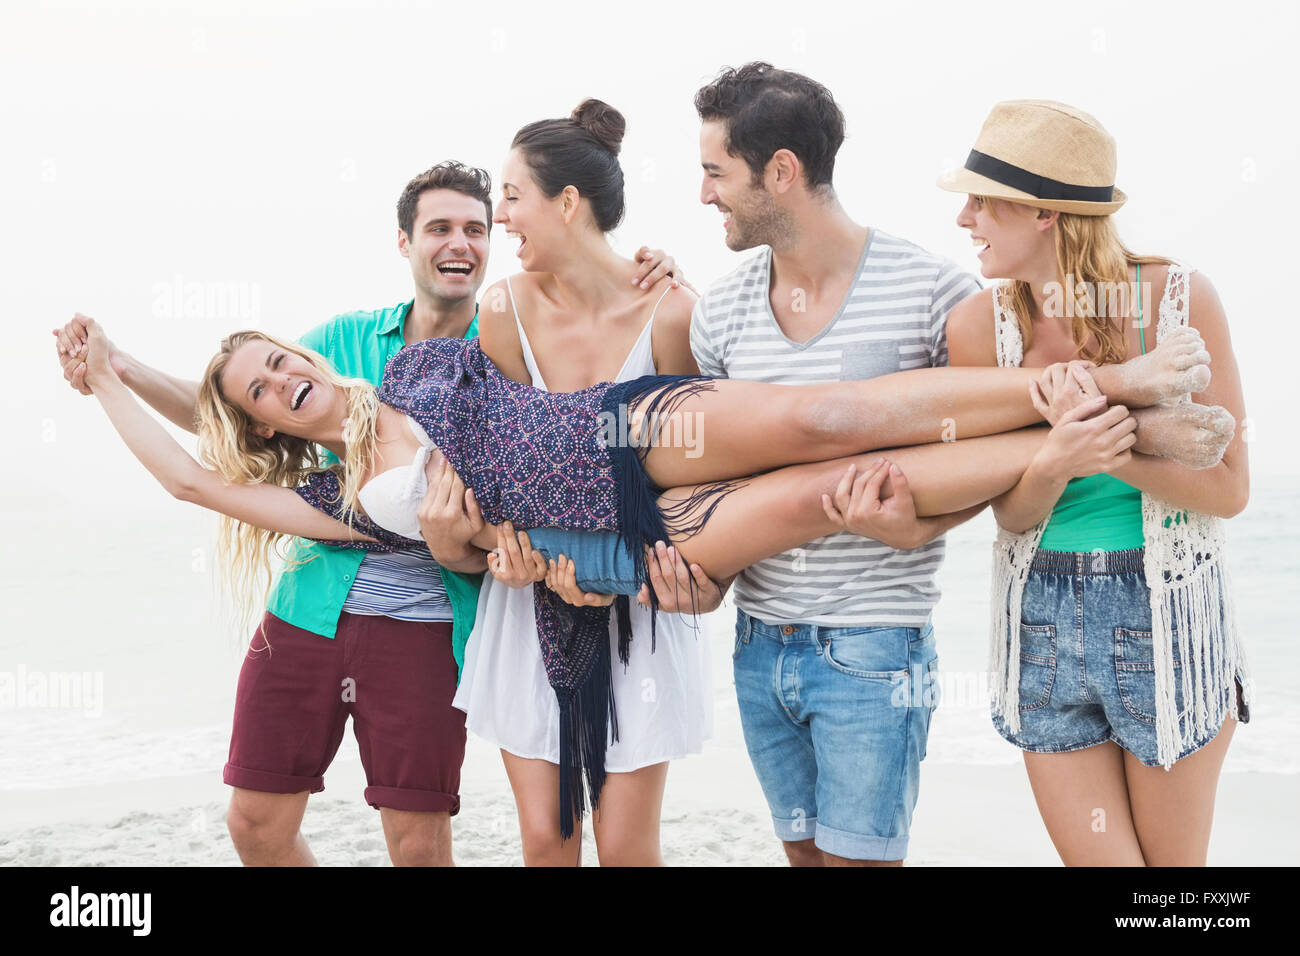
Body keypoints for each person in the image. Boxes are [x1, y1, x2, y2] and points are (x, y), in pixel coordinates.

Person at [70, 284, 1226, 841]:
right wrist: (108, 379)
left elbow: (559, 319)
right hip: (618, 544)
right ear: (268, 423)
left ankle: (1119, 389)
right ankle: (1096, 438)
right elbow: (191, 473)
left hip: (624, 434)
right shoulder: (333, 499)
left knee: (836, 416)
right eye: (264, 391)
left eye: (277, 358)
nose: (283, 378)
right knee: (831, 492)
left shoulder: (410, 364)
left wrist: (642, 294)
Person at [51, 161, 682, 867]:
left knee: (425, 841)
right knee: (256, 824)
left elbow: (567, 418)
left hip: (437, 617)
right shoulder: (340, 349)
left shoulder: (503, 340)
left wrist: (643, 273)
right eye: (439, 227)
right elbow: (227, 417)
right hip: (313, 606)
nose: (460, 242)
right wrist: (115, 371)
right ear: (405, 242)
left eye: (477, 228)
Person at [940, 99, 1251, 866]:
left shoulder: (1177, 300)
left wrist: (1117, 455)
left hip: (1169, 616)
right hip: (1039, 620)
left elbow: (1232, 487)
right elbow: (1009, 516)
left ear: (1045, 212)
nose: (965, 219)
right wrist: (1052, 464)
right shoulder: (980, 330)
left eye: (982, 201)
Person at [686, 61, 980, 867]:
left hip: (872, 648)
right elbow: (718, 483)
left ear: (780, 172)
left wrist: (917, 521)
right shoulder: (719, 313)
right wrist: (706, 575)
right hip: (757, 643)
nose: (704, 193)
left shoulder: (935, 293)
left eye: (715, 172)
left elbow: (987, 460)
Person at [451, 100, 715, 866]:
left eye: (511, 196)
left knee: (627, 848)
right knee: (546, 838)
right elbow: (495, 467)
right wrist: (507, 551)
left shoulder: (672, 314)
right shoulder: (503, 309)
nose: (499, 217)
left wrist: (614, 576)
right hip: (527, 605)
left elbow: (696, 475)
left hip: (639, 611)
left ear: (567, 203)